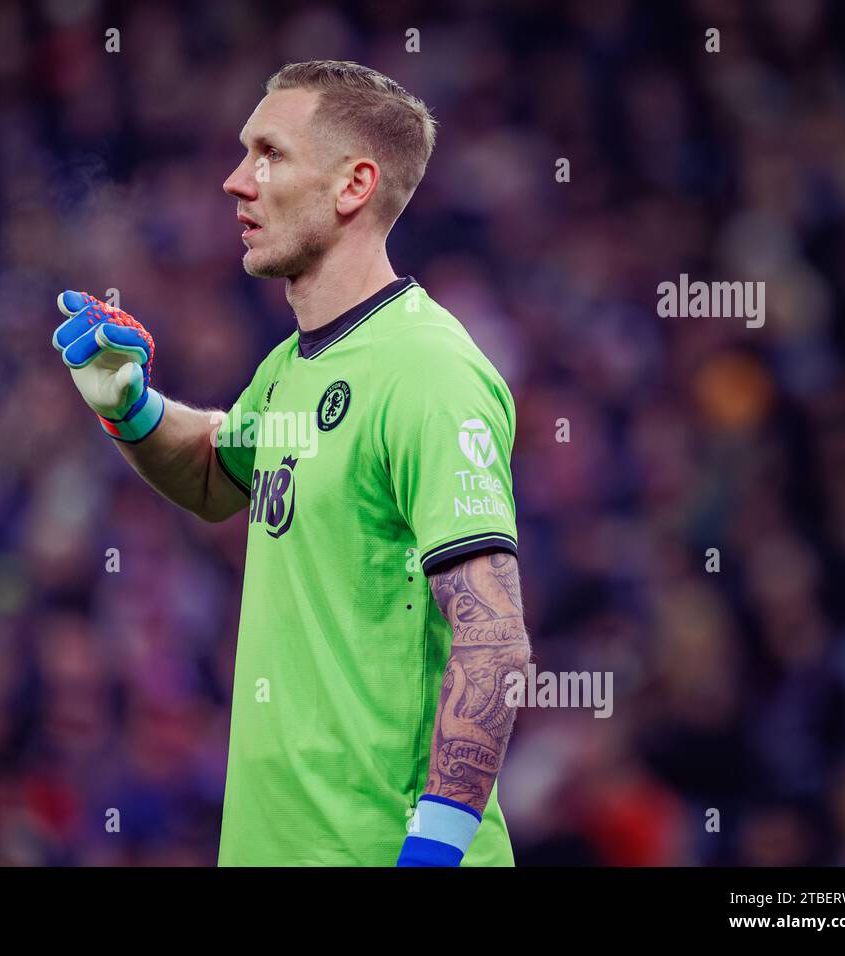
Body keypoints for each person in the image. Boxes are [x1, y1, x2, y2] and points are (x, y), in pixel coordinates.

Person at [50, 60, 530, 866]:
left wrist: (436, 848)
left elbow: (494, 637)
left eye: (269, 155)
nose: (237, 181)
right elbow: (215, 475)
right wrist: (130, 406)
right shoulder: (289, 369)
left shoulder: (428, 371)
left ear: (353, 186)